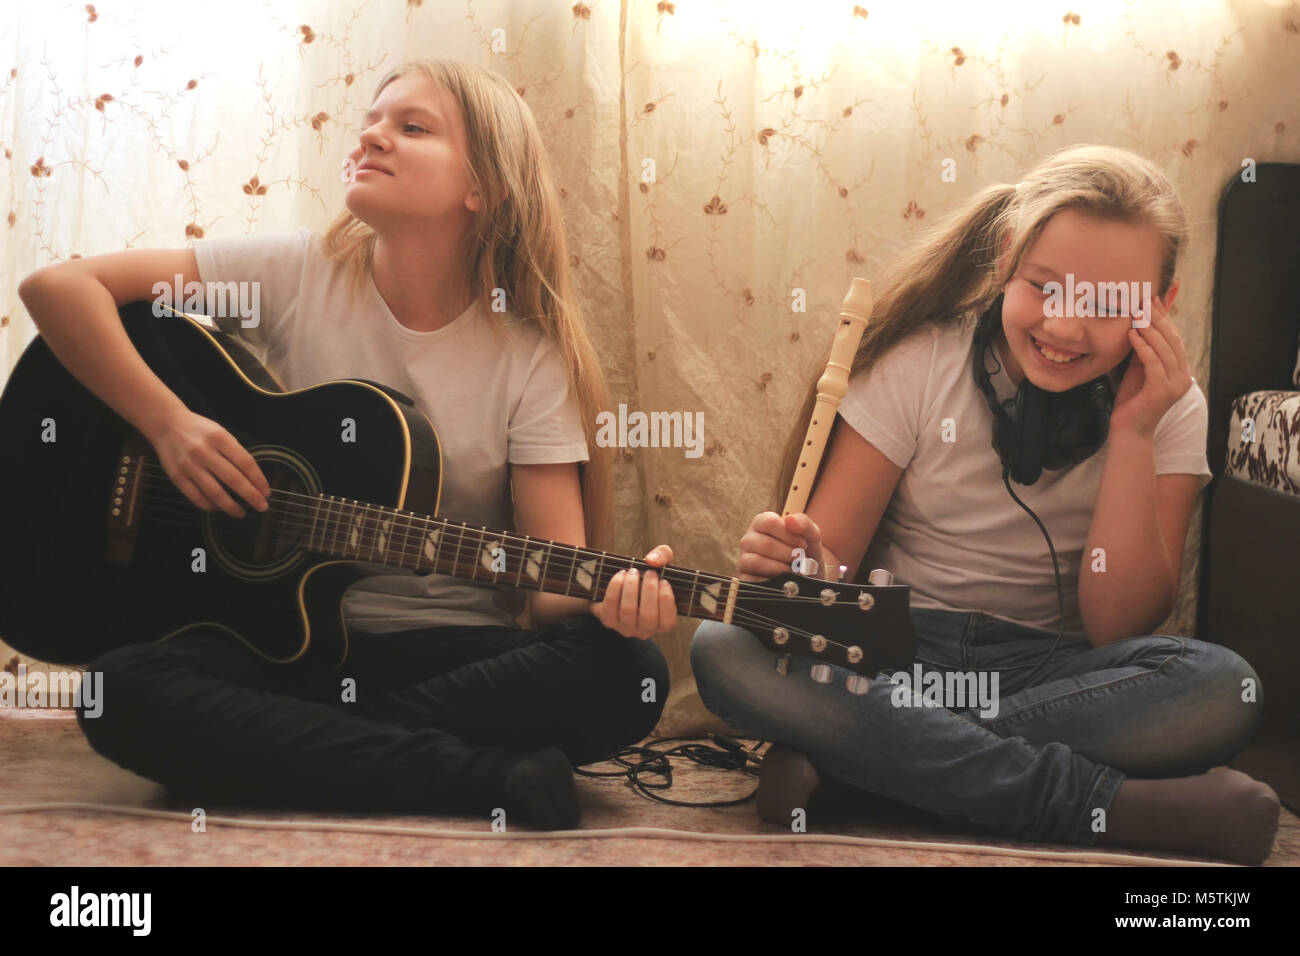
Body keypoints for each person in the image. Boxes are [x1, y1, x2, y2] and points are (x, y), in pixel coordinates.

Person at [17, 59, 676, 830]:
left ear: (483, 188)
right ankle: (468, 776)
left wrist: (618, 601)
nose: (372, 135)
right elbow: (59, 290)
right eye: (371, 119)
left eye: (412, 126)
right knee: (118, 689)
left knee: (626, 672)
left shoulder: (530, 359)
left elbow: (552, 587)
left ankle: (305, 744)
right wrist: (170, 425)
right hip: (272, 646)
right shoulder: (298, 273)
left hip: (441, 655)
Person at [690, 144, 1281, 865]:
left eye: (1106, 305)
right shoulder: (917, 363)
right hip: (896, 651)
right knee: (725, 646)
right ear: (1006, 259)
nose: (1064, 328)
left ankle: (871, 772)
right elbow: (828, 576)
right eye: (1044, 286)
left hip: (1059, 669)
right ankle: (1098, 805)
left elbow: (1120, 621)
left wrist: (1133, 433)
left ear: (1161, 306)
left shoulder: (1171, 409)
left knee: (1224, 687)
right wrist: (798, 565)